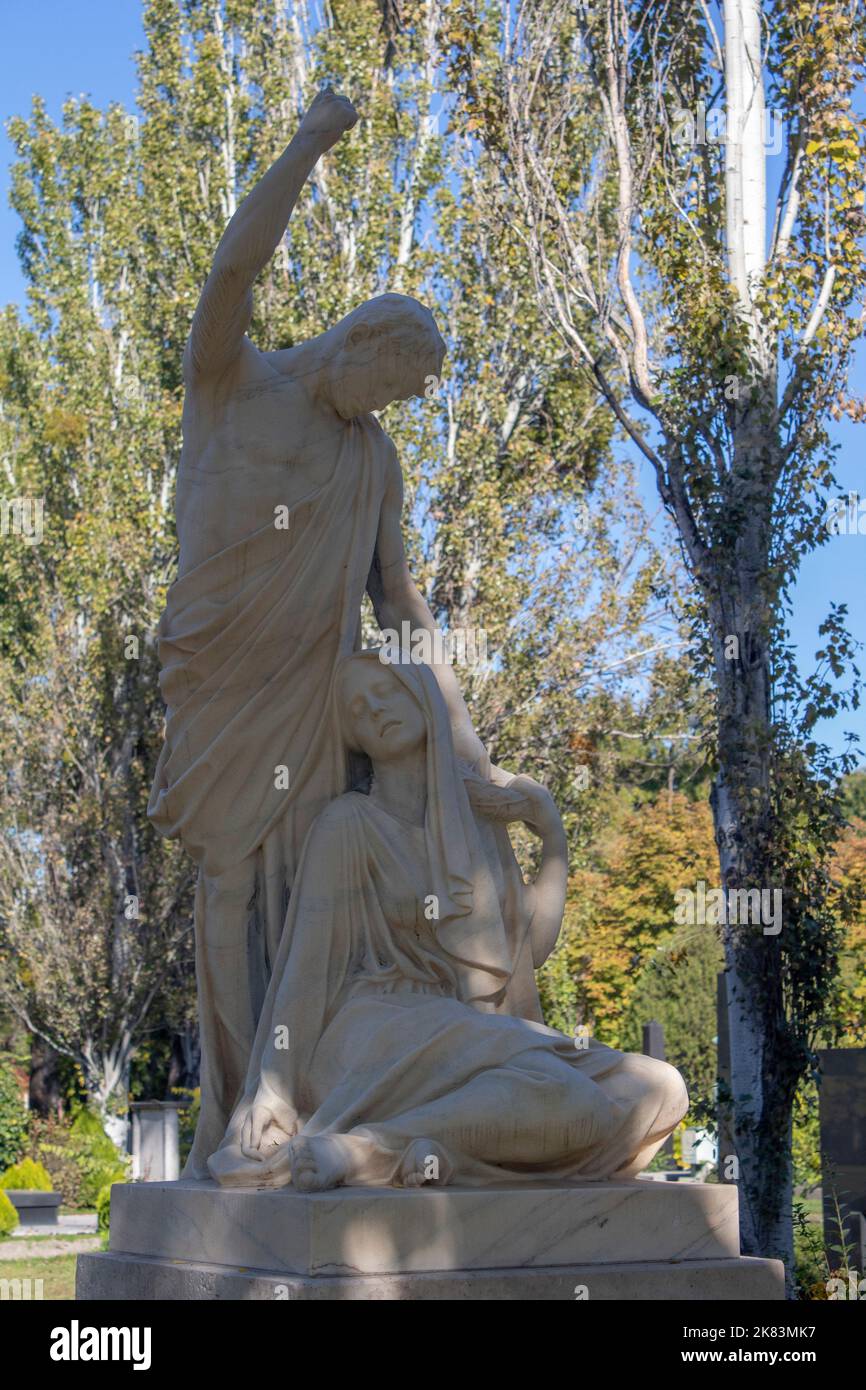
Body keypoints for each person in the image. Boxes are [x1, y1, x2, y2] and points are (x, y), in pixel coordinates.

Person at [148, 88, 494, 1176]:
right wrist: (308, 142)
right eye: (389, 377)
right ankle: (243, 1121)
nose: (388, 401)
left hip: (313, 695)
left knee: (309, 903)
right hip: (219, 696)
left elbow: (399, 605)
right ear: (356, 340)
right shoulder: (233, 385)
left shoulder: (371, 460)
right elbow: (230, 277)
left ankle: (291, 1104)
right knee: (229, 890)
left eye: (405, 392)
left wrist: (462, 742)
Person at [208, 651, 688, 1190]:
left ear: (420, 696)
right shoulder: (347, 825)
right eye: (357, 710)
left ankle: (433, 1149)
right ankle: (365, 1151)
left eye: (384, 692)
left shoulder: (471, 828)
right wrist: (274, 1086)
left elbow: (525, 953)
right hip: (370, 1030)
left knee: (660, 1088)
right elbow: (305, 970)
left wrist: (553, 838)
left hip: (455, 1026)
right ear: (353, 738)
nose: (374, 711)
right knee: (573, 1101)